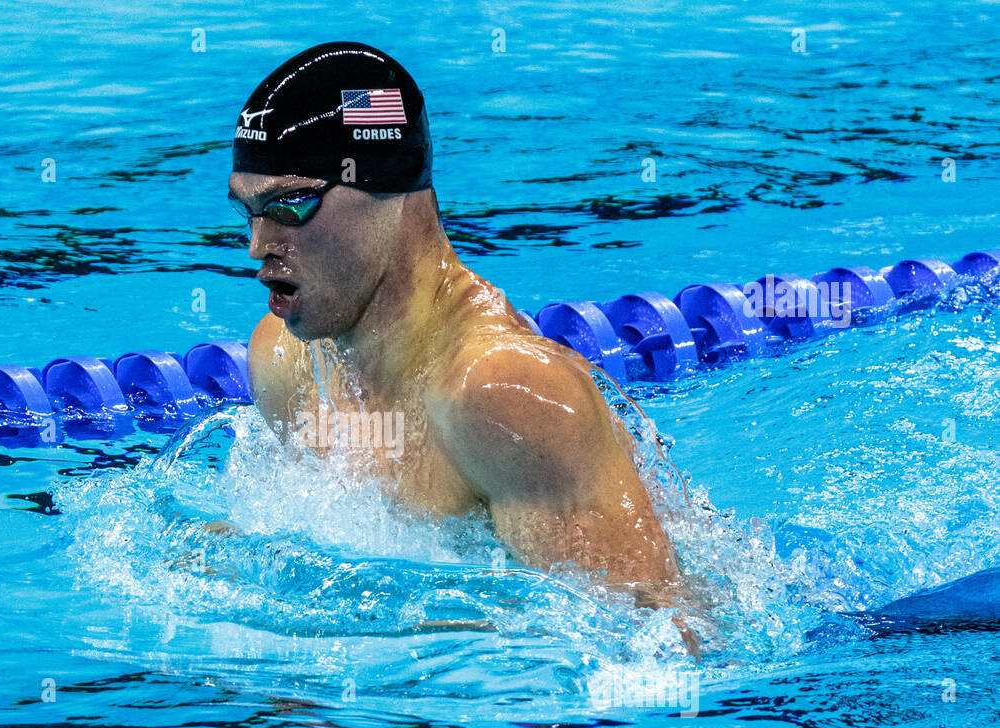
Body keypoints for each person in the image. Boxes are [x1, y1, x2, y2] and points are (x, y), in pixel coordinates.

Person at [229, 41, 699, 655]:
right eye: (249, 213)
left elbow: (667, 642)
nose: (258, 246)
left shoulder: (500, 396)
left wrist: (429, 636)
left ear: (383, 187)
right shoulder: (286, 361)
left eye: (288, 205)